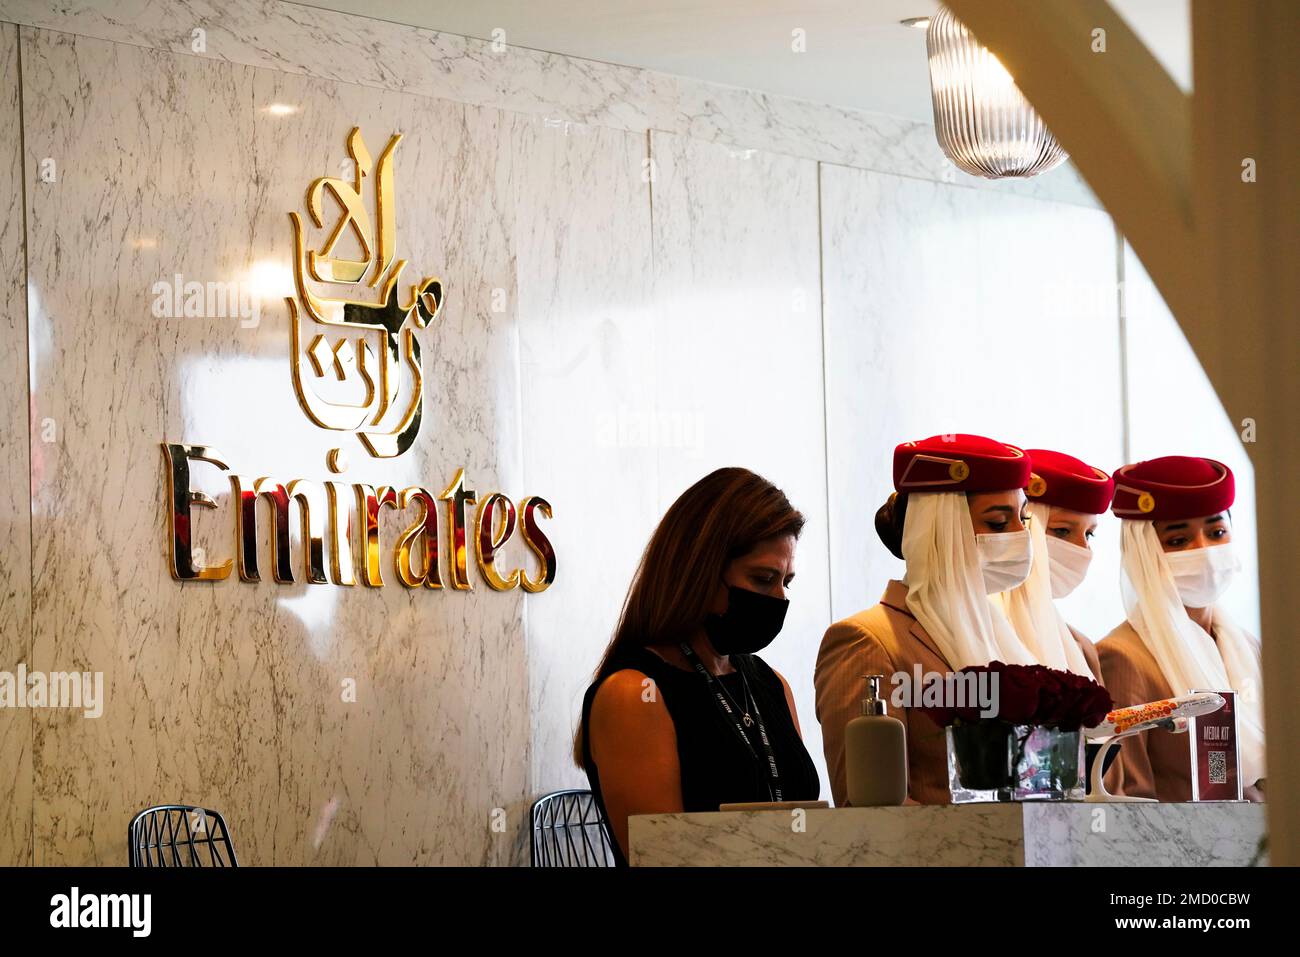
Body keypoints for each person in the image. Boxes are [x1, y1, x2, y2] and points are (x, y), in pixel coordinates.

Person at [575, 467, 820, 866]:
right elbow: (664, 859)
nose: (778, 598)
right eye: (762, 579)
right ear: (700, 572)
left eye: (786, 583)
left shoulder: (770, 684)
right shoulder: (635, 694)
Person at [815, 433, 1037, 806]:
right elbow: (870, 806)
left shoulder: (998, 631)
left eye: (1022, 518)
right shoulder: (867, 640)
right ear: (941, 530)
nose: (1021, 535)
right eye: (998, 523)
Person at [1098, 455, 1266, 802]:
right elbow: (1129, 796)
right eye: (1178, 541)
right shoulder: (1124, 656)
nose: (1203, 550)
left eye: (1217, 532)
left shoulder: (1246, 646)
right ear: (1145, 552)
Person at [995, 448, 1113, 681]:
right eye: (1062, 531)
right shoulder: (979, 632)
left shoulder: (1082, 648)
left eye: (1089, 535)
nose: (1082, 548)